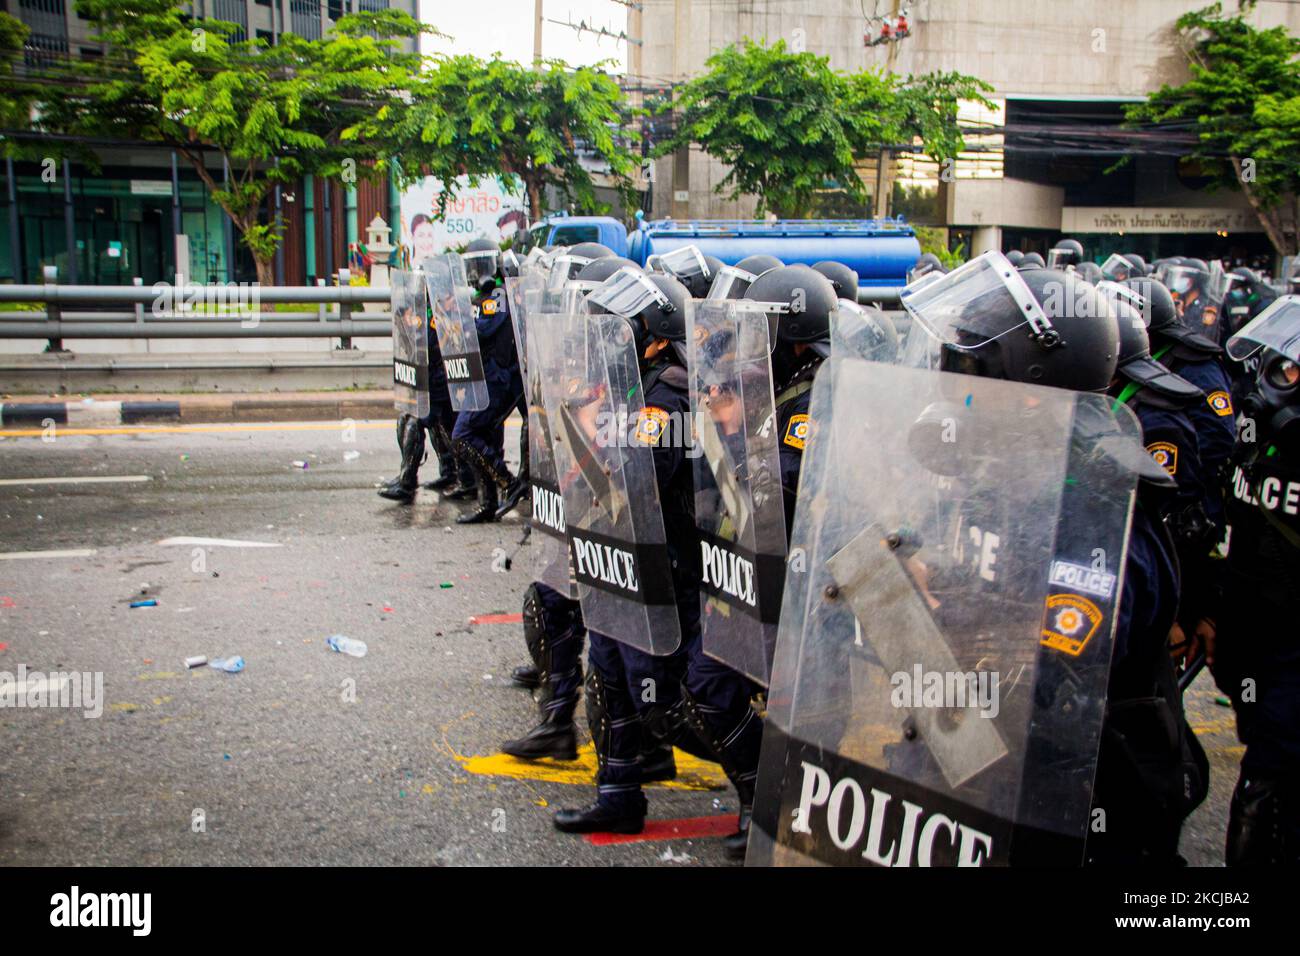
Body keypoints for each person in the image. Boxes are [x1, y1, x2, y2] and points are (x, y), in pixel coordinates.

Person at [553, 270, 762, 860]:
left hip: (665, 570)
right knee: (608, 671)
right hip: (619, 560)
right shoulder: (625, 385)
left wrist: (593, 429)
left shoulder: (668, 391)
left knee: (667, 700)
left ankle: (762, 789)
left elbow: (641, 475)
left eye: (617, 327)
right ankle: (619, 796)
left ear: (649, 332)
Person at [1214, 302, 1300, 864]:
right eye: (1284, 367)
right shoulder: (1259, 438)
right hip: (1252, 625)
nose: (1284, 377)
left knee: (1267, 778)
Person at [449, 238, 525, 524]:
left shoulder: (499, 297)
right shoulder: (483, 298)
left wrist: (458, 318)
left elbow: (480, 329)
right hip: (485, 379)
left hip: (498, 380)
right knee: (485, 436)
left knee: (464, 436)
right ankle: (488, 504)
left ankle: (509, 482)